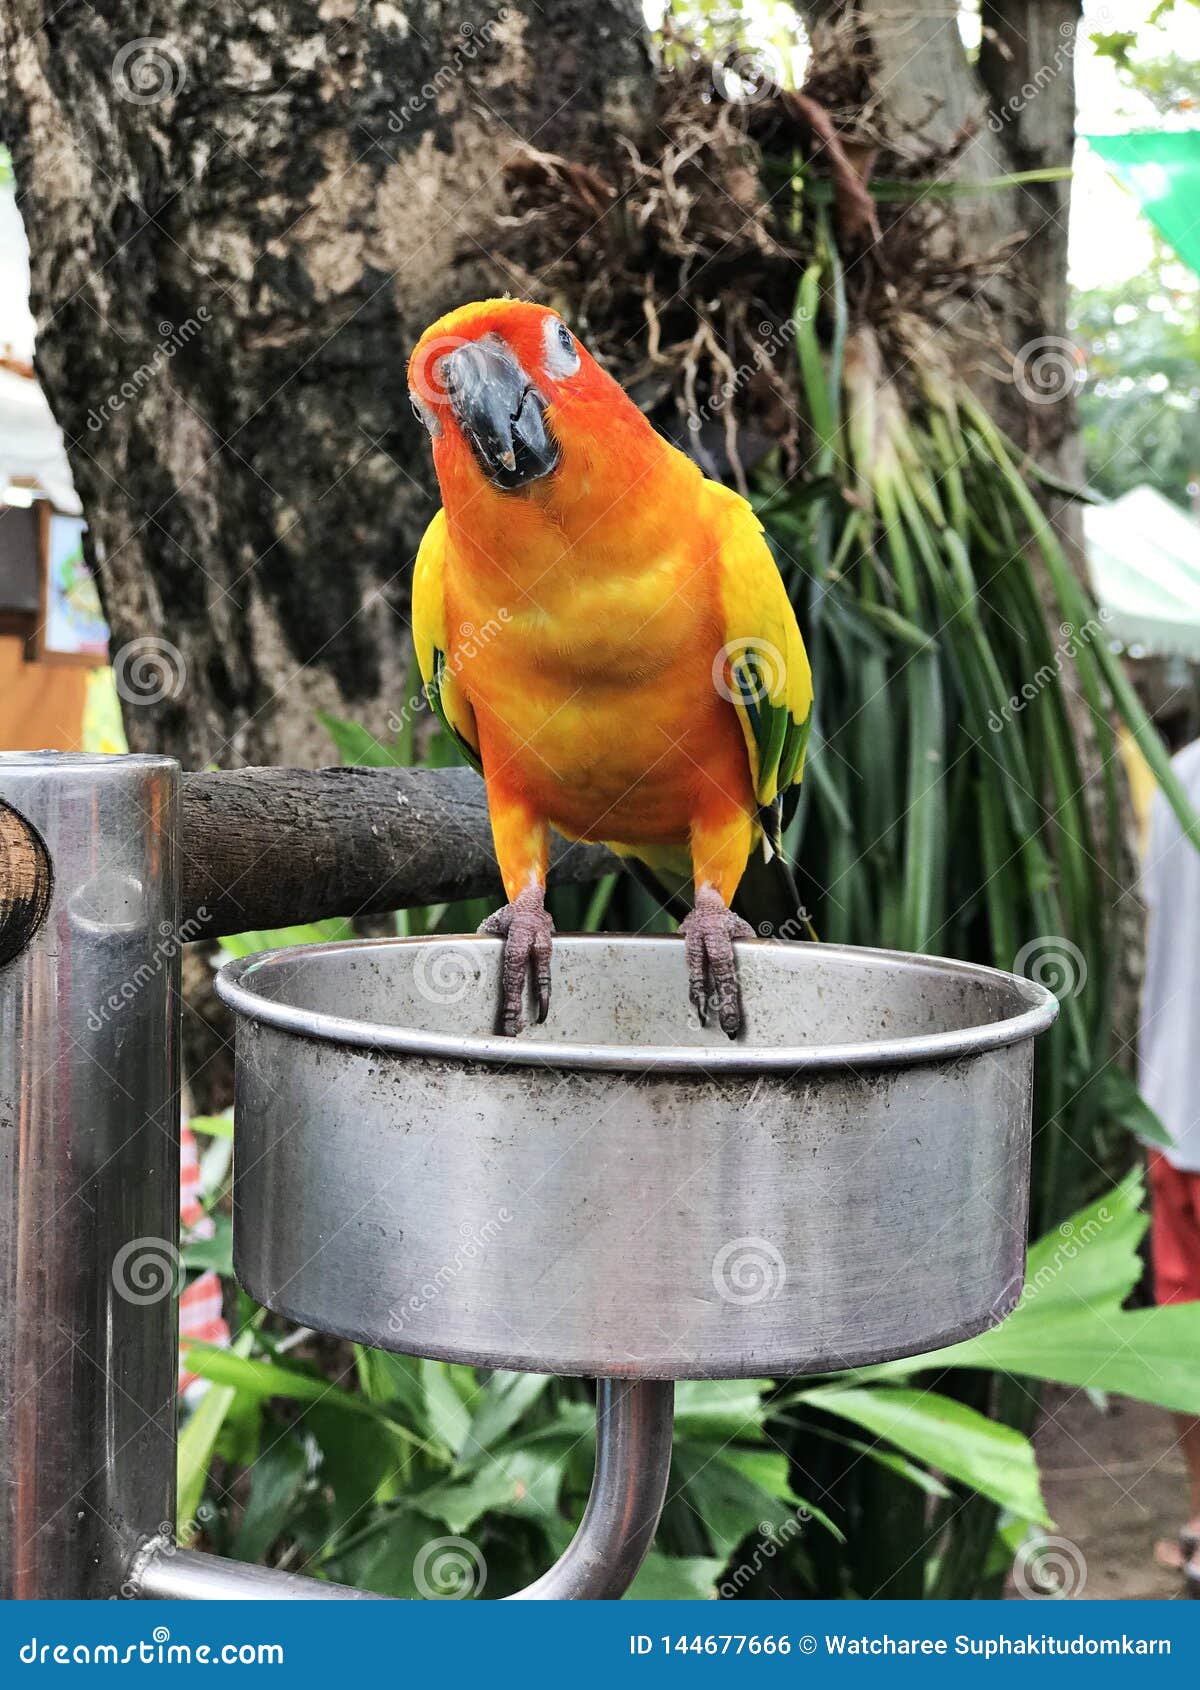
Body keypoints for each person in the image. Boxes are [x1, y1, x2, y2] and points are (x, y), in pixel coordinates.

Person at [1139, 737, 1200, 1594]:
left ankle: (1198, 1520)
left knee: (1186, 1327)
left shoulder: (1178, 770)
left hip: (1178, 1104)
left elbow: (1153, 917)